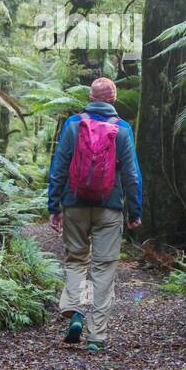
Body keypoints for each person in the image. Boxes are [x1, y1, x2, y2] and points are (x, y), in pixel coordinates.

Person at [46, 77, 143, 352]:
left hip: (74, 204)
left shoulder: (74, 124)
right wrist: (134, 211)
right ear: (113, 99)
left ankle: (75, 311)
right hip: (109, 208)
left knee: (76, 260)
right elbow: (132, 174)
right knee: (103, 269)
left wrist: (54, 206)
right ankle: (96, 336)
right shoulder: (122, 128)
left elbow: (59, 166)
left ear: (90, 97)